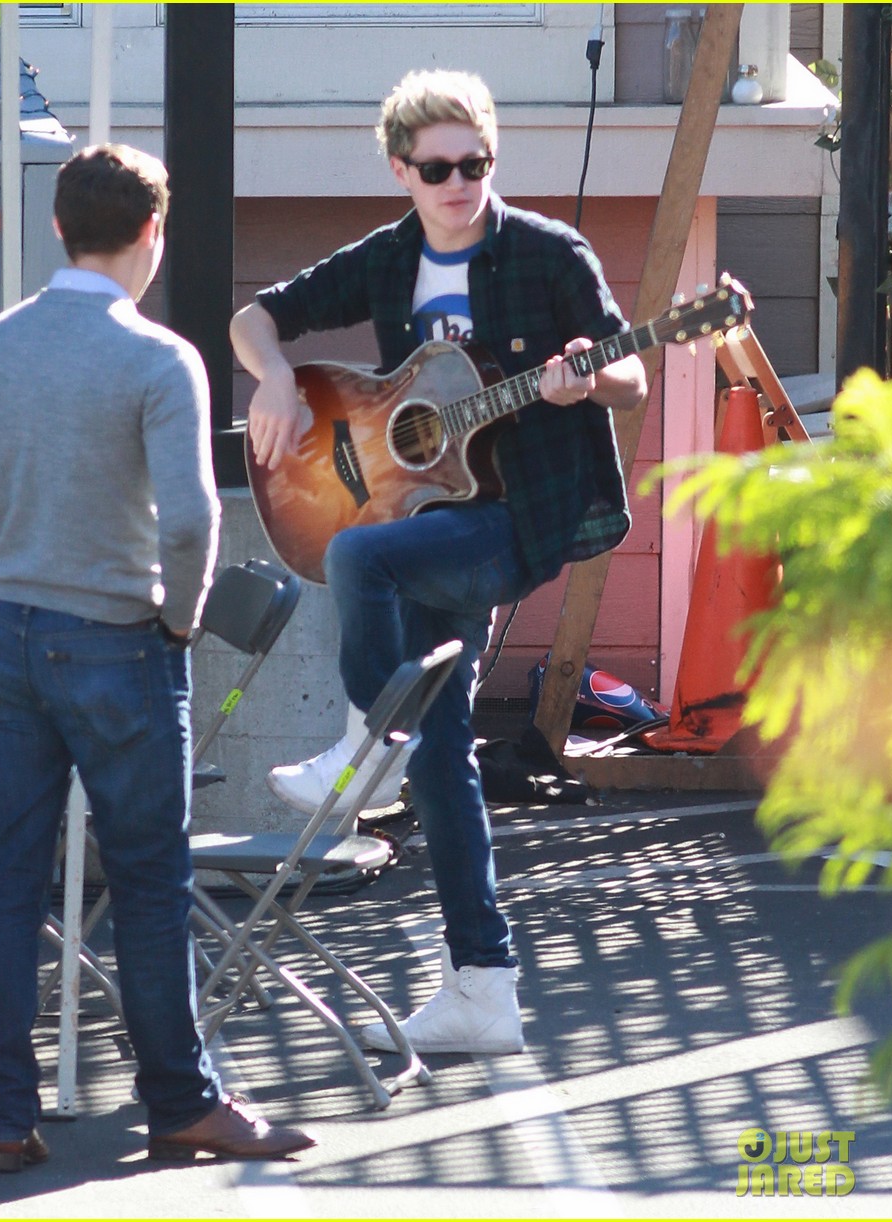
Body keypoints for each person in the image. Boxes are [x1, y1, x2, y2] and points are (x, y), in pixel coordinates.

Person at [230, 70, 647, 1057]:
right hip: (424, 511)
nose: (459, 183)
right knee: (446, 761)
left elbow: (629, 375)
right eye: (438, 169)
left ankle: (368, 747)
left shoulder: (547, 255)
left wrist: (581, 381)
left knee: (357, 556)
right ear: (401, 169)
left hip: (512, 523)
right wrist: (278, 377)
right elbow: (258, 317)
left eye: (476, 164)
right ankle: (482, 989)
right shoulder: (387, 260)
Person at [0, 144, 316, 1169]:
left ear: (56, 227)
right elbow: (189, 523)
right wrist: (177, 621)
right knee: (147, 880)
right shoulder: (156, 358)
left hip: (10, 638)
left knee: (9, 877)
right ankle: (181, 1101)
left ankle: (6, 1119)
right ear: (152, 233)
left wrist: (5, 577)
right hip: (122, 644)